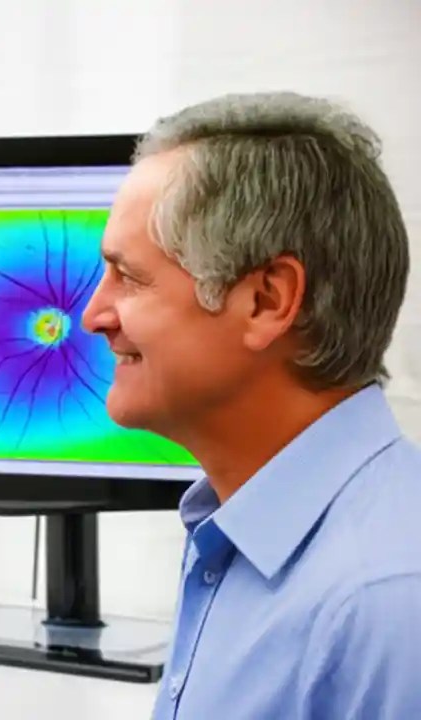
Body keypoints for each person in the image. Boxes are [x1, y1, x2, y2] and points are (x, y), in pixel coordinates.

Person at [80, 91, 421, 719]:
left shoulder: (388, 606)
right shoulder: (239, 531)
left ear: (267, 300)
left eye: (128, 276)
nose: (92, 314)